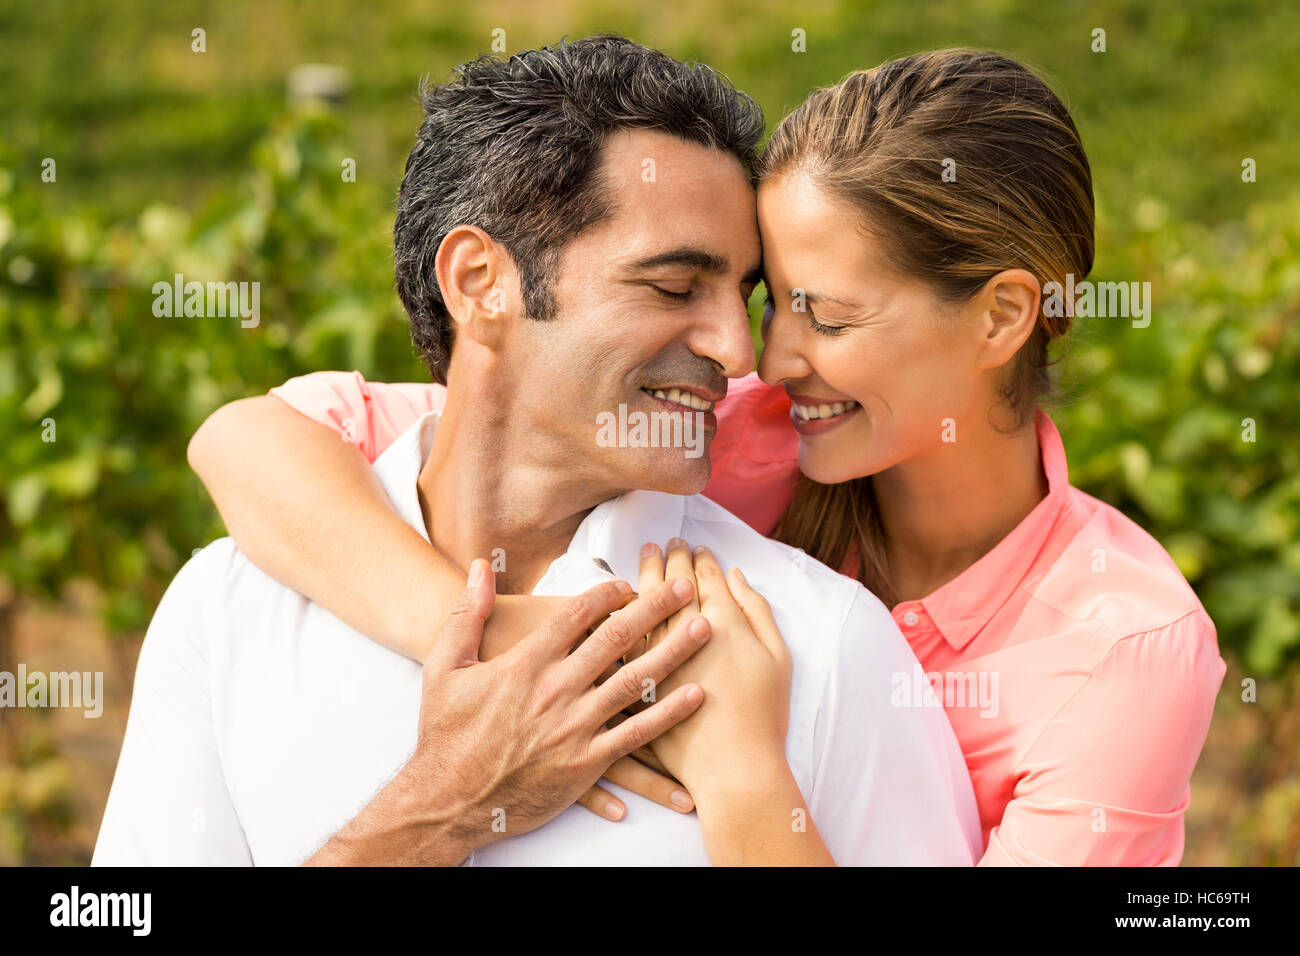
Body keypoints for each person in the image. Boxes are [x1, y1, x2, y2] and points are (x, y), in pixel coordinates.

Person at [192, 48, 1227, 866]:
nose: (761, 354)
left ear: (1002, 315)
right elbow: (253, 439)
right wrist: (499, 639)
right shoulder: (736, 427)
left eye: (826, 314)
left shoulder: (1122, 650)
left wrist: (740, 778)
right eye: (775, 301)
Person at [95, 35, 981, 867]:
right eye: (674, 284)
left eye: (740, 296)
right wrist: (433, 811)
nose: (738, 354)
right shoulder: (227, 613)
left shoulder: (820, 648)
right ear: (480, 284)